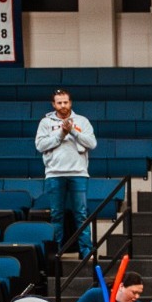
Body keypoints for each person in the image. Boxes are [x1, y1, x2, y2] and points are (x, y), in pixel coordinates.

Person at [36, 89, 98, 260]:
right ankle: (57, 251)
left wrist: (73, 131)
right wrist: (61, 134)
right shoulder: (46, 123)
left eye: (65, 102)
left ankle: (86, 251)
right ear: (53, 104)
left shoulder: (82, 121)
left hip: (78, 173)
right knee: (57, 214)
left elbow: (92, 143)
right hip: (54, 173)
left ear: (70, 103)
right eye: (59, 102)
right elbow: (40, 146)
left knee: (81, 213)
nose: (63, 106)